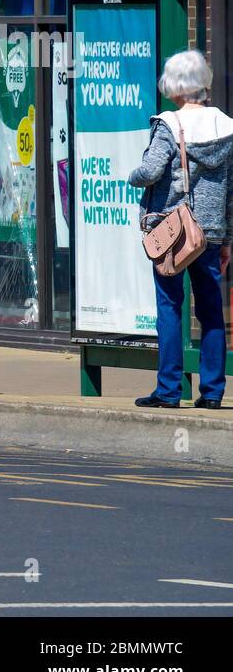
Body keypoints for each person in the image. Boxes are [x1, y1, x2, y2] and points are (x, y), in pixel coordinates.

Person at [129, 50, 231, 410]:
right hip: (211, 232)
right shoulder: (226, 125)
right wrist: (226, 240)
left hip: (173, 232)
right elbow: (230, 190)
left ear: (174, 86)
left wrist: (132, 175)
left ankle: (169, 390)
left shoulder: (168, 124)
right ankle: (214, 392)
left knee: (170, 306)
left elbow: (150, 171)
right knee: (210, 310)